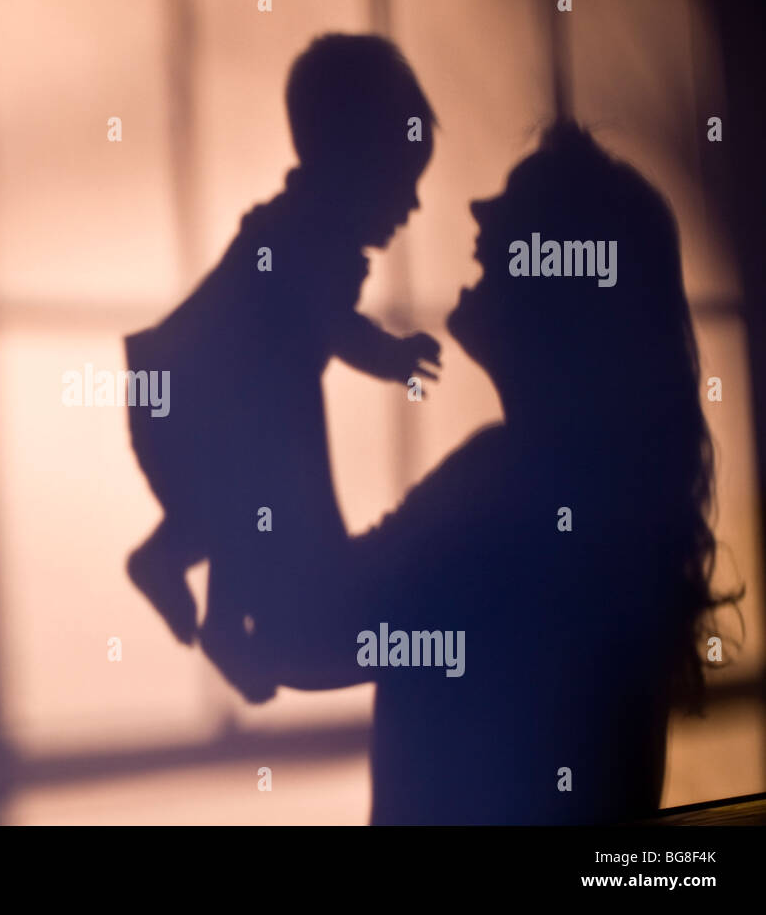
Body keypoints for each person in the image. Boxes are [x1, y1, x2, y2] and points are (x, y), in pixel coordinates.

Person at [215, 123, 740, 822]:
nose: (478, 212)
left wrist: (273, 371)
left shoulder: (506, 487)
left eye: (519, 207)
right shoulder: (596, 495)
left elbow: (304, 632)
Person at [124, 34, 441, 701]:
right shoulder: (305, 237)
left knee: (236, 508)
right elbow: (324, 322)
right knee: (254, 497)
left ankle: (178, 575)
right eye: (401, 184)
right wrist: (391, 356)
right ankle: (225, 625)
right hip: (201, 403)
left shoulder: (297, 228)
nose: (412, 208)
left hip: (184, 401)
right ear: (351, 168)